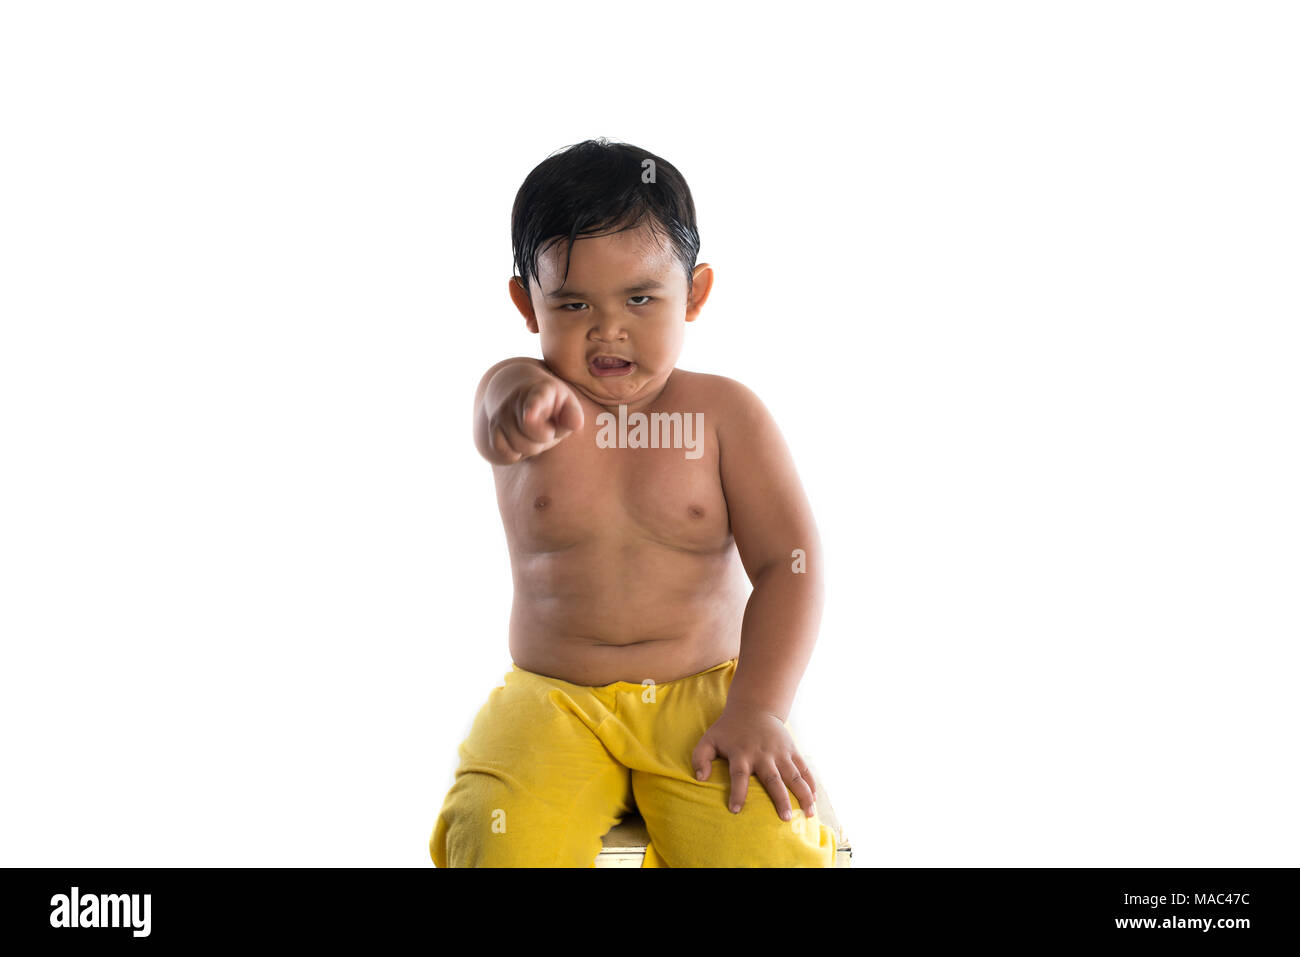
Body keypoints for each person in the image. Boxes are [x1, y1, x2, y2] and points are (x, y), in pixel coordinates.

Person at [429, 138, 836, 866]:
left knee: (770, 849)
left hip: (707, 699)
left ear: (697, 293)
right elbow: (497, 418)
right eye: (574, 301)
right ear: (527, 303)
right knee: (495, 837)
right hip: (553, 698)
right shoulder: (520, 389)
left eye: (641, 298)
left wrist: (759, 707)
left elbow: (789, 563)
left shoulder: (725, 414)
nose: (608, 327)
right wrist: (521, 405)